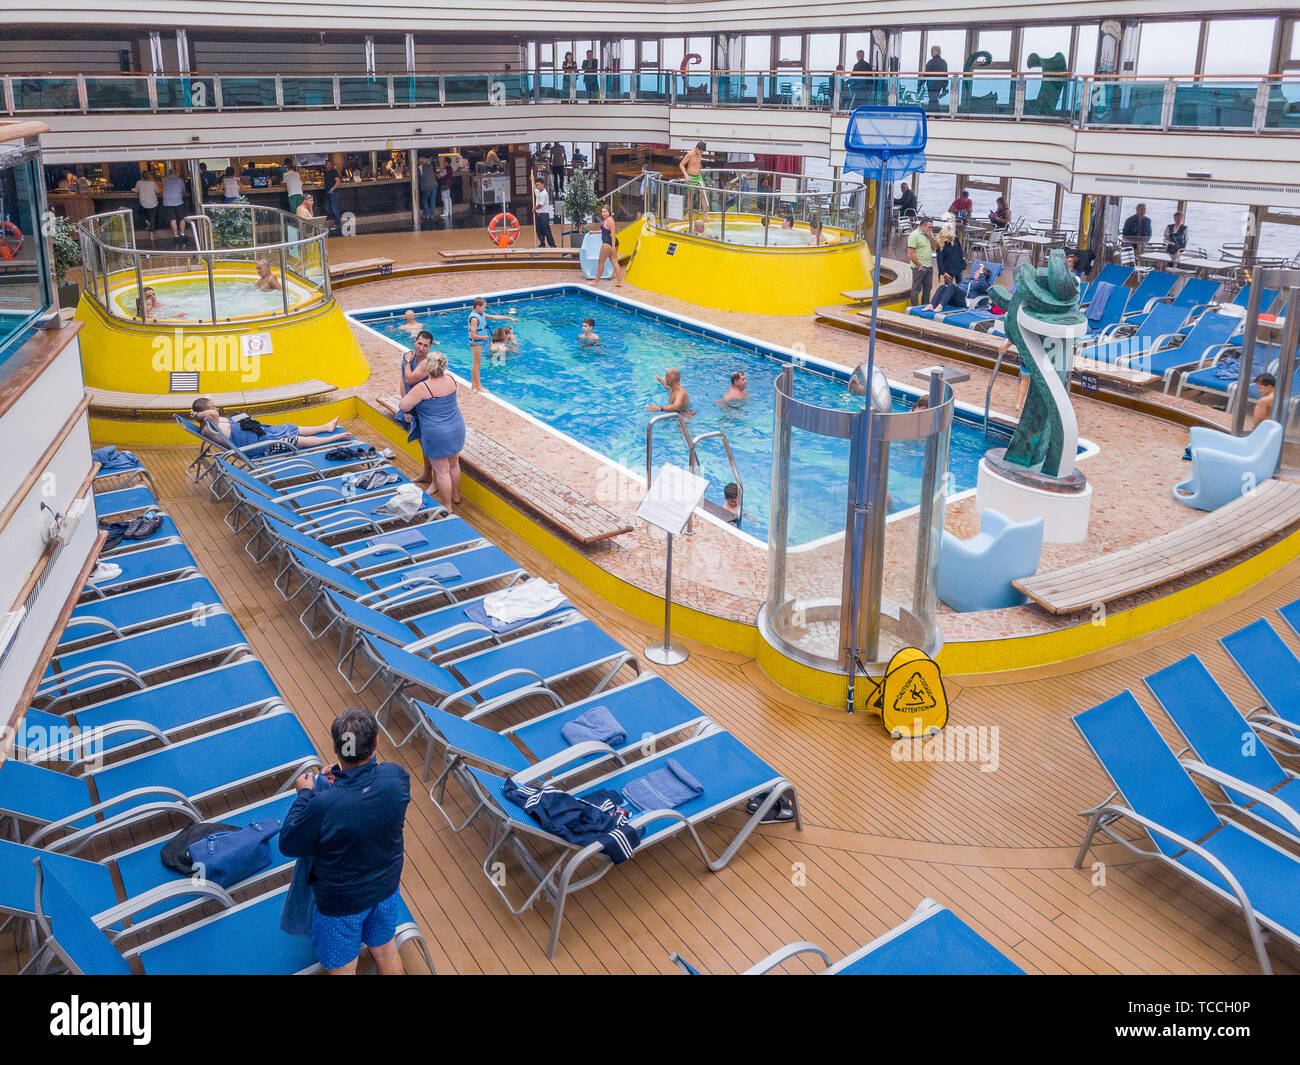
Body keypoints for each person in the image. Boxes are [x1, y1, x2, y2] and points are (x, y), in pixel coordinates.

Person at [279, 708, 410, 976]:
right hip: (385, 889)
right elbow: (366, 797)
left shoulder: (324, 804)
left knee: (344, 969)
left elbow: (289, 843)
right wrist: (342, 775)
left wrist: (305, 794)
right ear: (375, 743)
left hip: (341, 904)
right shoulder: (396, 778)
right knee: (385, 950)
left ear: (337, 750)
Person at [398, 350, 466, 508]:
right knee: (454, 465)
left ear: (427, 368)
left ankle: (447, 506)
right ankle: (456, 496)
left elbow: (404, 405)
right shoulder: (451, 379)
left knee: (442, 471)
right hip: (456, 427)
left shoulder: (423, 388)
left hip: (437, 433)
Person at [189, 396, 348, 449]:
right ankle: (335, 438)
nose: (215, 408)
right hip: (257, 445)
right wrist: (197, 414)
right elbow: (212, 412)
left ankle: (326, 427)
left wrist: (197, 412)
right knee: (293, 440)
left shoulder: (209, 422)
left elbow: (209, 405)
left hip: (256, 435)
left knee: (288, 427)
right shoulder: (209, 427)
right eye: (211, 407)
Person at [468, 297, 518, 392]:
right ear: (478, 307)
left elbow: (495, 317)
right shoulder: (474, 318)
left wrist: (509, 318)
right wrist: (483, 337)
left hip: (479, 342)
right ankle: (479, 386)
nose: (485, 309)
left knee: (476, 364)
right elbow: (473, 335)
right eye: (484, 307)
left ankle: (474, 385)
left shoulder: (481, 314)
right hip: (476, 343)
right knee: (477, 364)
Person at [908, 216, 937, 306]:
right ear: (923, 226)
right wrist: (919, 266)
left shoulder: (929, 234)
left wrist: (931, 237)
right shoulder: (914, 235)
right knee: (916, 289)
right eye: (929, 227)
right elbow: (910, 254)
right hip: (919, 267)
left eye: (932, 227)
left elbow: (935, 248)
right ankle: (914, 308)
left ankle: (925, 306)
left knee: (928, 288)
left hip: (929, 266)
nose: (931, 229)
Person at [594, 205, 624, 288]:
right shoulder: (606, 220)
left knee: (601, 262)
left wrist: (613, 246)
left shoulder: (610, 220)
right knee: (614, 262)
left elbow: (613, 233)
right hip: (611, 243)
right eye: (603, 211)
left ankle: (596, 281)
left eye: (605, 212)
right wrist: (593, 232)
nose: (603, 213)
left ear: (609, 212)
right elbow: (604, 231)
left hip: (608, 243)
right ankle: (620, 282)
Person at [999, 339, 1030, 414]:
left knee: (1024, 380)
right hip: (1035, 357)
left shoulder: (1025, 328)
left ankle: (1018, 404)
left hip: (1024, 355)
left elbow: (1015, 337)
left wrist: (1006, 346)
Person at [161, 165, 187, 246]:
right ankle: (182, 234)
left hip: (168, 202)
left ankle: (175, 235)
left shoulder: (163, 180)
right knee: (181, 218)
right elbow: (184, 190)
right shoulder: (180, 180)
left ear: (169, 173)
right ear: (176, 173)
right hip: (178, 201)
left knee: (173, 219)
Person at [679, 141, 707, 216]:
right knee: (690, 195)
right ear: (697, 148)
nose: (701, 153)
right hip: (691, 176)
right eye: (700, 151)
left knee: (704, 192)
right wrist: (686, 175)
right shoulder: (690, 154)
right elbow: (681, 164)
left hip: (698, 176)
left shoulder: (699, 154)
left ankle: (705, 214)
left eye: (702, 152)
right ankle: (689, 214)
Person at [532, 174, 556, 248]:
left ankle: (552, 245)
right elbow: (534, 188)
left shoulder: (544, 193)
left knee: (546, 230)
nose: (537, 186)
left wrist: (534, 209)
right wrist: (532, 180)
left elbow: (540, 205)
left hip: (544, 215)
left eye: (539, 185)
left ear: (543, 185)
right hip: (538, 215)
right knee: (539, 231)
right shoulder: (538, 191)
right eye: (537, 185)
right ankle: (542, 244)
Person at [135, 168, 159, 234]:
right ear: (149, 176)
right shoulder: (153, 183)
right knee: (153, 218)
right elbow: (158, 191)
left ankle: (148, 223)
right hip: (153, 203)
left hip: (143, 204)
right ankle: (152, 235)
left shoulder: (139, 183)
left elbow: (136, 191)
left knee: (139, 212)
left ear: (142, 176)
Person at [924, 45, 948, 109]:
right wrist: (945, 87)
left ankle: (932, 114)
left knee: (932, 99)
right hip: (940, 84)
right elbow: (945, 75)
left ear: (932, 53)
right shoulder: (943, 62)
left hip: (931, 83)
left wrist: (920, 84)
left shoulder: (930, 62)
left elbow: (925, 75)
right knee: (934, 99)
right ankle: (935, 114)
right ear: (940, 52)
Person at [437, 157, 455, 226]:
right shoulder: (450, 168)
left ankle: (446, 213)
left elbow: (439, 176)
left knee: (444, 198)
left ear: (446, 162)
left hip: (444, 185)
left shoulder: (445, 169)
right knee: (448, 198)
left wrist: (437, 173)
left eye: (444, 161)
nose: (443, 162)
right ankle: (450, 211)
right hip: (448, 184)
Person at [322, 160, 341, 228]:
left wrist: (332, 189)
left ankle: (338, 223)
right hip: (327, 192)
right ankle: (335, 219)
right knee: (327, 207)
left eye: (330, 164)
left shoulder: (334, 171)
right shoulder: (325, 172)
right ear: (325, 165)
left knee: (334, 208)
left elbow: (338, 181)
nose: (328, 165)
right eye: (327, 164)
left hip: (333, 192)